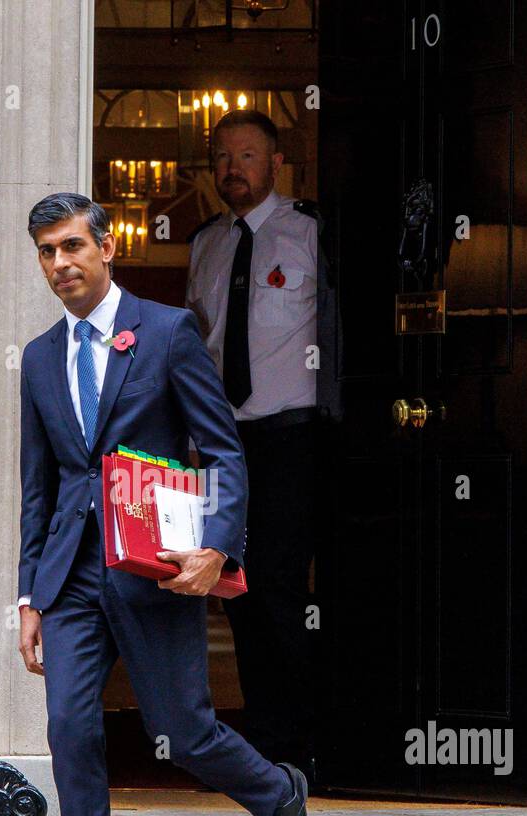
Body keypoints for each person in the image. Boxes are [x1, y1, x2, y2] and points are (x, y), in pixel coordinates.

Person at [16, 192, 312, 816]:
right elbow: (39, 487)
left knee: (184, 732)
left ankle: (278, 794)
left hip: (153, 571)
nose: (61, 264)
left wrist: (218, 547)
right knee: (71, 734)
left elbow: (224, 451)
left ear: (106, 247)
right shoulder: (41, 358)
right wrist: (29, 595)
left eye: (73, 246)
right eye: (47, 251)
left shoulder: (168, 332)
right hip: (72, 580)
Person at [186, 109, 325, 774]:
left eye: (245, 156)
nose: (231, 168)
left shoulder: (311, 233)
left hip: (292, 439)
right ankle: (263, 737)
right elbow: (197, 342)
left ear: (274, 164)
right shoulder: (205, 243)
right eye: (221, 157)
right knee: (234, 586)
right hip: (225, 445)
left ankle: (299, 738)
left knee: (280, 586)